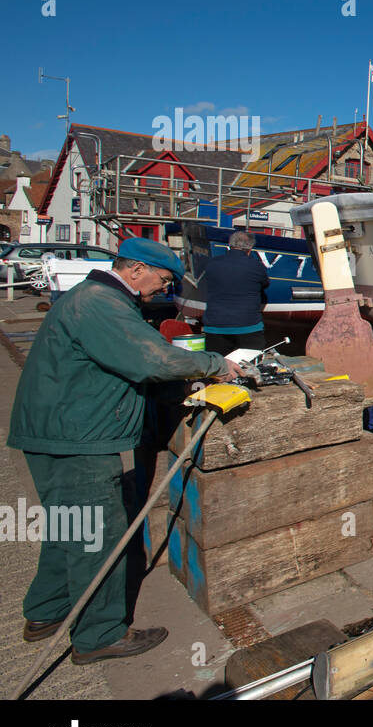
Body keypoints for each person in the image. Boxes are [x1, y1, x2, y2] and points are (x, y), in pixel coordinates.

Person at [8, 237, 241, 664]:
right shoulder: (100, 302)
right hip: (75, 435)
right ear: (135, 271)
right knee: (98, 535)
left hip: (59, 428)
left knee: (70, 527)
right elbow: (150, 358)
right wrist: (214, 364)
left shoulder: (94, 298)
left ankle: (46, 612)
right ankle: (99, 636)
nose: (163, 290)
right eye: (163, 280)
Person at [201, 230, 270, 356]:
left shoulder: (212, 264)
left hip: (215, 326)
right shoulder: (256, 266)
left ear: (230, 245)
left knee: (219, 370)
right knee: (250, 368)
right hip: (248, 326)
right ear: (250, 249)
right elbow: (265, 284)